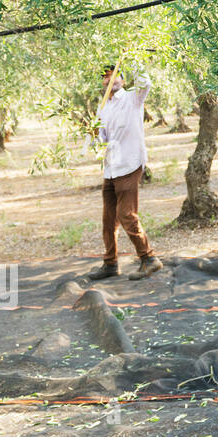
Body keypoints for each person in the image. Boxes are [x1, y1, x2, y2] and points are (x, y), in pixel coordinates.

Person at [89, 64, 163, 281]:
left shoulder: (133, 98)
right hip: (111, 166)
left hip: (130, 163)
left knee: (126, 213)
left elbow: (146, 83)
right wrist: (94, 134)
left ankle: (149, 258)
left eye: (113, 76)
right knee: (108, 218)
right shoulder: (103, 107)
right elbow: (102, 140)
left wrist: (136, 60)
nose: (109, 80)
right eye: (105, 78)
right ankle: (110, 263)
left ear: (122, 78)